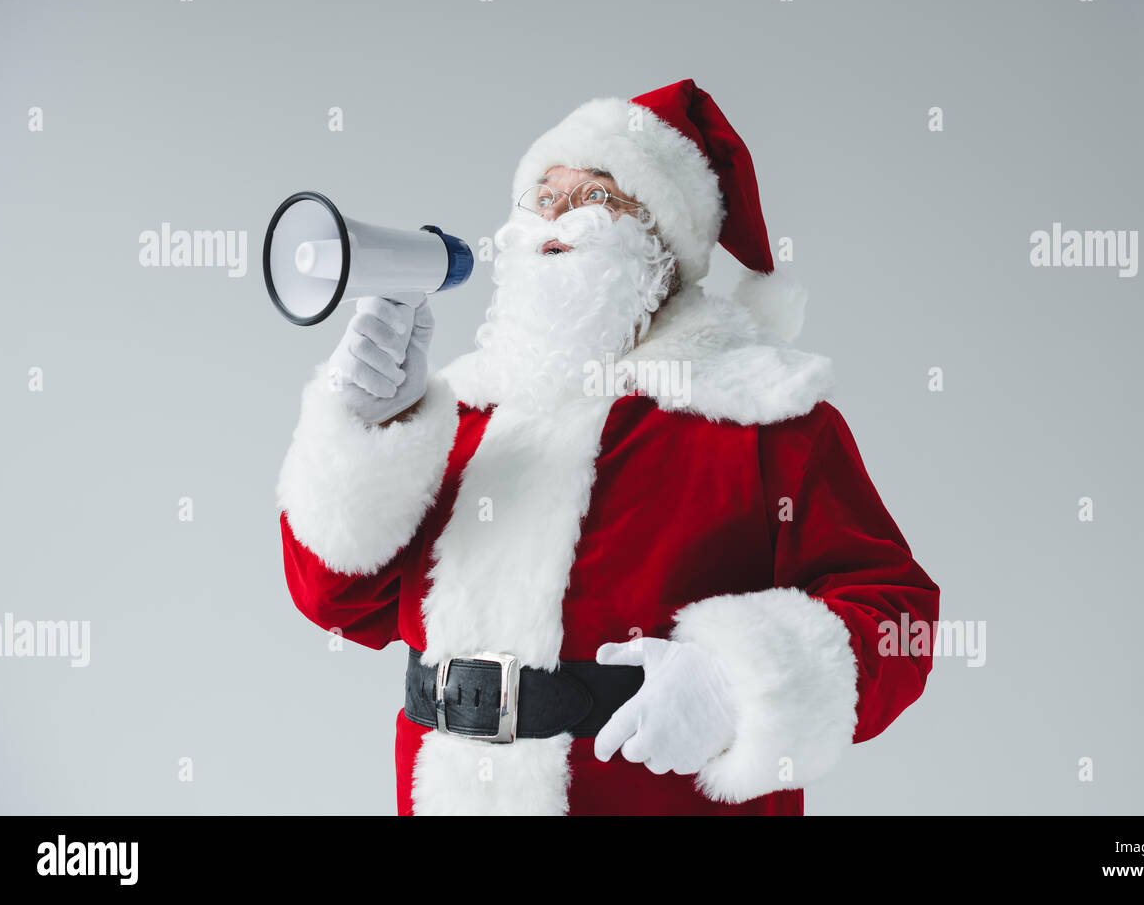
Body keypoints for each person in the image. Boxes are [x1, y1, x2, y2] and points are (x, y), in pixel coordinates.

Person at [276, 79, 940, 815]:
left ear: (661, 241)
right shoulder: (465, 415)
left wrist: (737, 685)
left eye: (598, 196)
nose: (558, 214)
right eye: (545, 195)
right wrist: (372, 427)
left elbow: (901, 616)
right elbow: (339, 601)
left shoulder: (765, 416)